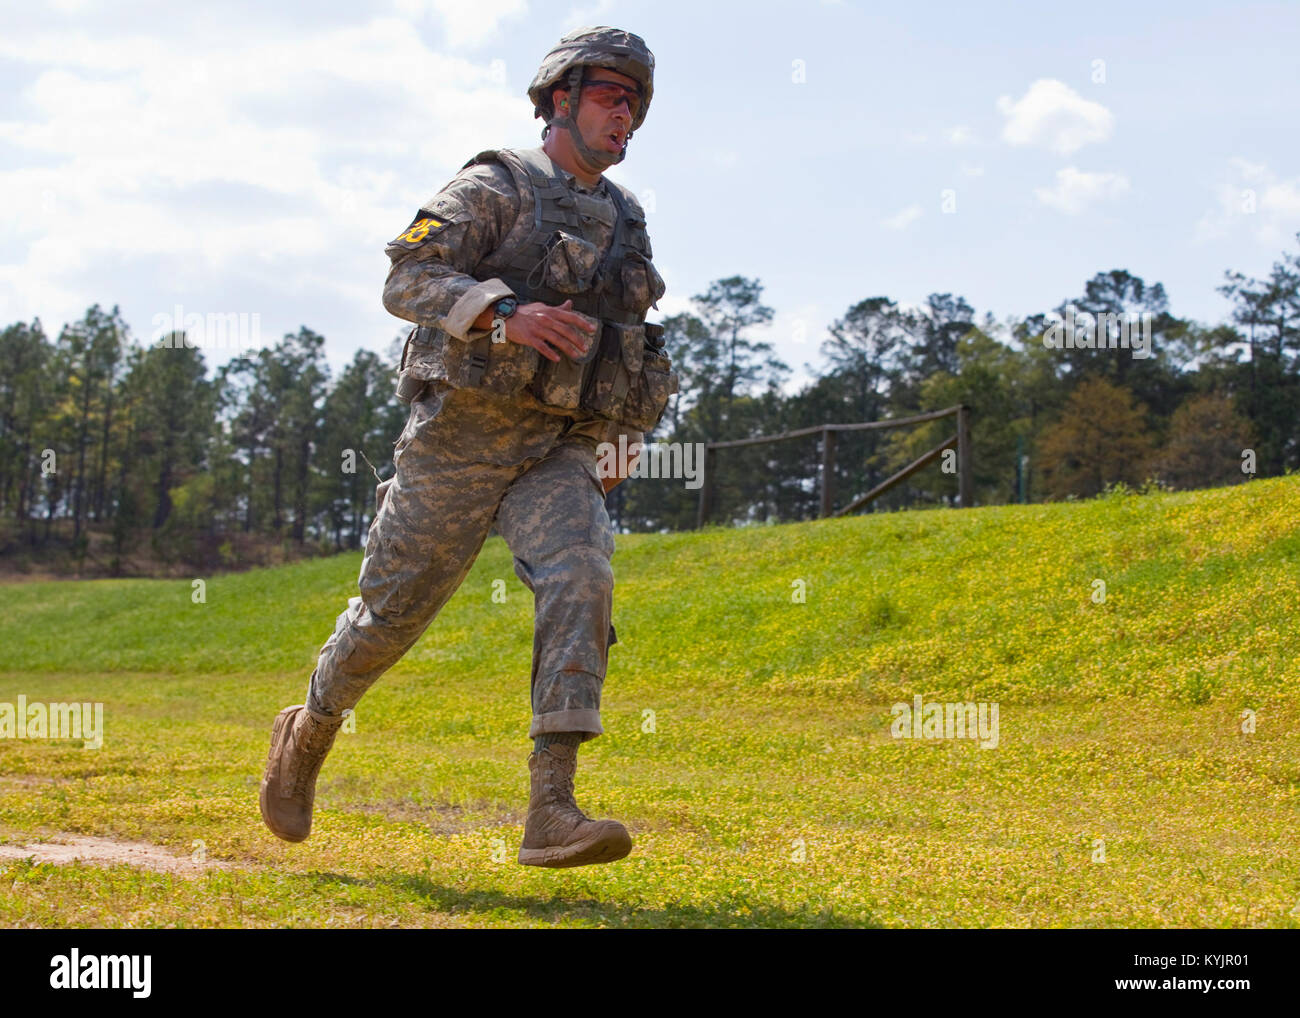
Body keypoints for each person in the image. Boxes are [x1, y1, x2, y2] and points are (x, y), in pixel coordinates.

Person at [259, 26, 674, 869]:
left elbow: (634, 343)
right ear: (561, 98)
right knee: (389, 618)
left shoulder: (628, 219)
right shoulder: (497, 183)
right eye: (608, 94)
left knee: (584, 575)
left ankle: (551, 808)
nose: (624, 113)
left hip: (555, 450)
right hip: (457, 441)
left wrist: (628, 434)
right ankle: (307, 730)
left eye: (635, 101)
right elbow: (406, 272)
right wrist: (502, 311)